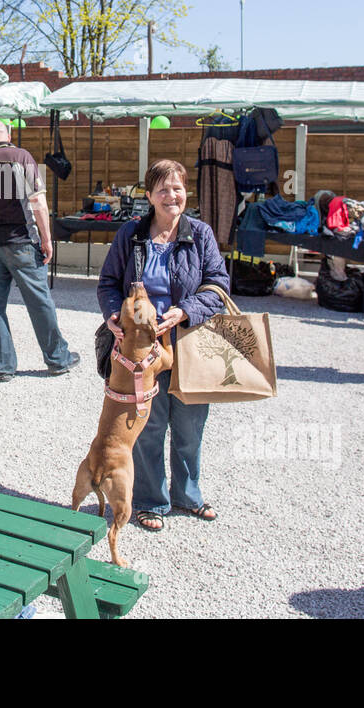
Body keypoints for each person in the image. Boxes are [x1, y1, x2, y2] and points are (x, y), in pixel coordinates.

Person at [97, 158, 229, 532]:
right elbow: (108, 283)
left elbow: (219, 285)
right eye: (164, 189)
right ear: (150, 195)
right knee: (147, 426)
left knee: (190, 425)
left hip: (189, 343)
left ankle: (188, 495)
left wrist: (185, 311)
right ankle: (151, 500)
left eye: (178, 188)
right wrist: (112, 314)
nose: (172, 195)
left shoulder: (200, 234)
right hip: (138, 348)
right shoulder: (131, 234)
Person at [0, 119, 79, 380]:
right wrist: (47, 240)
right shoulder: (20, 156)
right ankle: (58, 358)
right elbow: (37, 201)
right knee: (40, 302)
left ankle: (2, 367)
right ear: (9, 134)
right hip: (22, 241)